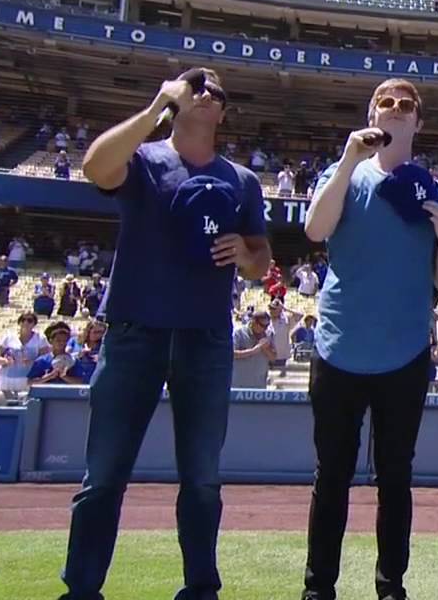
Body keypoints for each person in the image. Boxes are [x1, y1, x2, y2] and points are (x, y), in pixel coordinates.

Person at [58, 67, 271, 600]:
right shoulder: (145, 160)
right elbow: (95, 168)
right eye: (193, 86)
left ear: (224, 112)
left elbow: (261, 256)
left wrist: (248, 256)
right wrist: (156, 106)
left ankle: (201, 589)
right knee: (104, 475)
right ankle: (82, 589)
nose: (203, 95)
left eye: (213, 92)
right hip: (134, 332)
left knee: (202, 477)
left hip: (205, 338)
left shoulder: (241, 180)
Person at [301, 78, 438, 600]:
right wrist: (348, 161)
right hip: (338, 349)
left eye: (405, 105)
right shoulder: (341, 175)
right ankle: (318, 587)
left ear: (418, 121)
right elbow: (315, 230)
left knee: (395, 480)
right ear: (372, 112)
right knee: (332, 478)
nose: (394, 110)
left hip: (405, 355)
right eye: (385, 103)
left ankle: (391, 585)